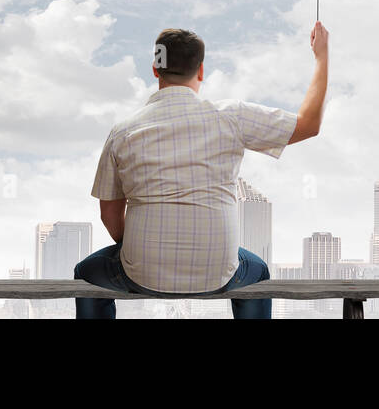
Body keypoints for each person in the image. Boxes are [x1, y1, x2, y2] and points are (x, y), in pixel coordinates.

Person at [75, 22, 329, 319]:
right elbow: (309, 125)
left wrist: (135, 250)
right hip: (219, 272)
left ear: (156, 70)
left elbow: (109, 215)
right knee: (257, 272)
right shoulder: (231, 116)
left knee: (86, 272)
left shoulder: (123, 131)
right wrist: (321, 56)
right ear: (201, 71)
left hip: (141, 271)